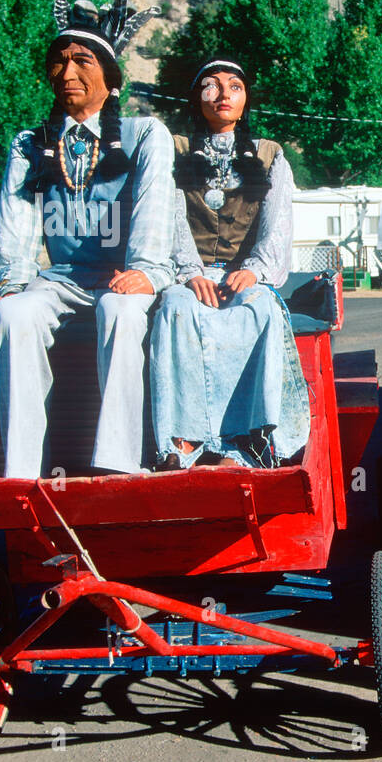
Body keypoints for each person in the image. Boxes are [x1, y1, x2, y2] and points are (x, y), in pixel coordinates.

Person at [0, 0, 173, 479]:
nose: (67, 74)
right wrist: (10, 284)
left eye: (82, 61)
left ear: (111, 76)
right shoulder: (30, 143)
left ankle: (118, 461)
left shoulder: (145, 134)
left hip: (122, 276)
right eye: (58, 62)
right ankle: (20, 471)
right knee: (16, 315)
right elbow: (16, 219)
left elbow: (154, 209)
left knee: (120, 309)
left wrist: (147, 271)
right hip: (59, 279)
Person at [150, 56, 310, 469]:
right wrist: (188, 273)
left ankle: (248, 440)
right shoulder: (171, 150)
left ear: (246, 99)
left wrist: (253, 269)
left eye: (234, 86)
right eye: (211, 84)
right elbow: (167, 216)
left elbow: (277, 228)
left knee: (258, 310)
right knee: (176, 310)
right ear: (195, 96)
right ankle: (182, 440)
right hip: (189, 273)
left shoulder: (270, 155)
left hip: (245, 273)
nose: (223, 94)